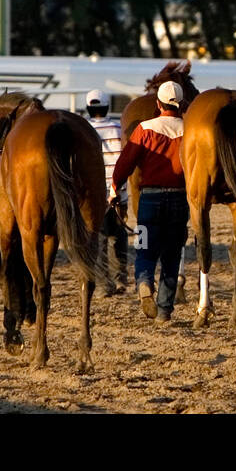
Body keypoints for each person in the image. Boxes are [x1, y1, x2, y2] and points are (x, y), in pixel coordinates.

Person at [112, 80, 186, 325]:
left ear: (158, 104)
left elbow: (126, 163)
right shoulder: (190, 129)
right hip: (179, 199)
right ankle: (164, 310)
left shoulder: (144, 128)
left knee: (144, 248)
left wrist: (115, 186)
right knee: (172, 254)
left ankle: (144, 283)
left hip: (149, 201)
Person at [85, 89, 127, 295]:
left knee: (99, 238)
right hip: (119, 192)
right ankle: (121, 278)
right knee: (119, 235)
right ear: (107, 107)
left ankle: (103, 284)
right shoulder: (119, 128)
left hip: (95, 194)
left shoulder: (83, 130)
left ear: (88, 108)